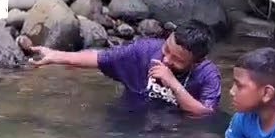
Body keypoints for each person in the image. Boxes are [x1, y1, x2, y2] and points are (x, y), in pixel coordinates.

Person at [25, 20, 222, 116]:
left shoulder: (208, 74)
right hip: (130, 117)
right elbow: (100, 58)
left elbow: (205, 113)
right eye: (166, 50)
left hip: (177, 132)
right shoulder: (144, 51)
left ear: (196, 62)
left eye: (177, 60)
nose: (166, 59)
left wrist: (173, 83)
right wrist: (55, 55)